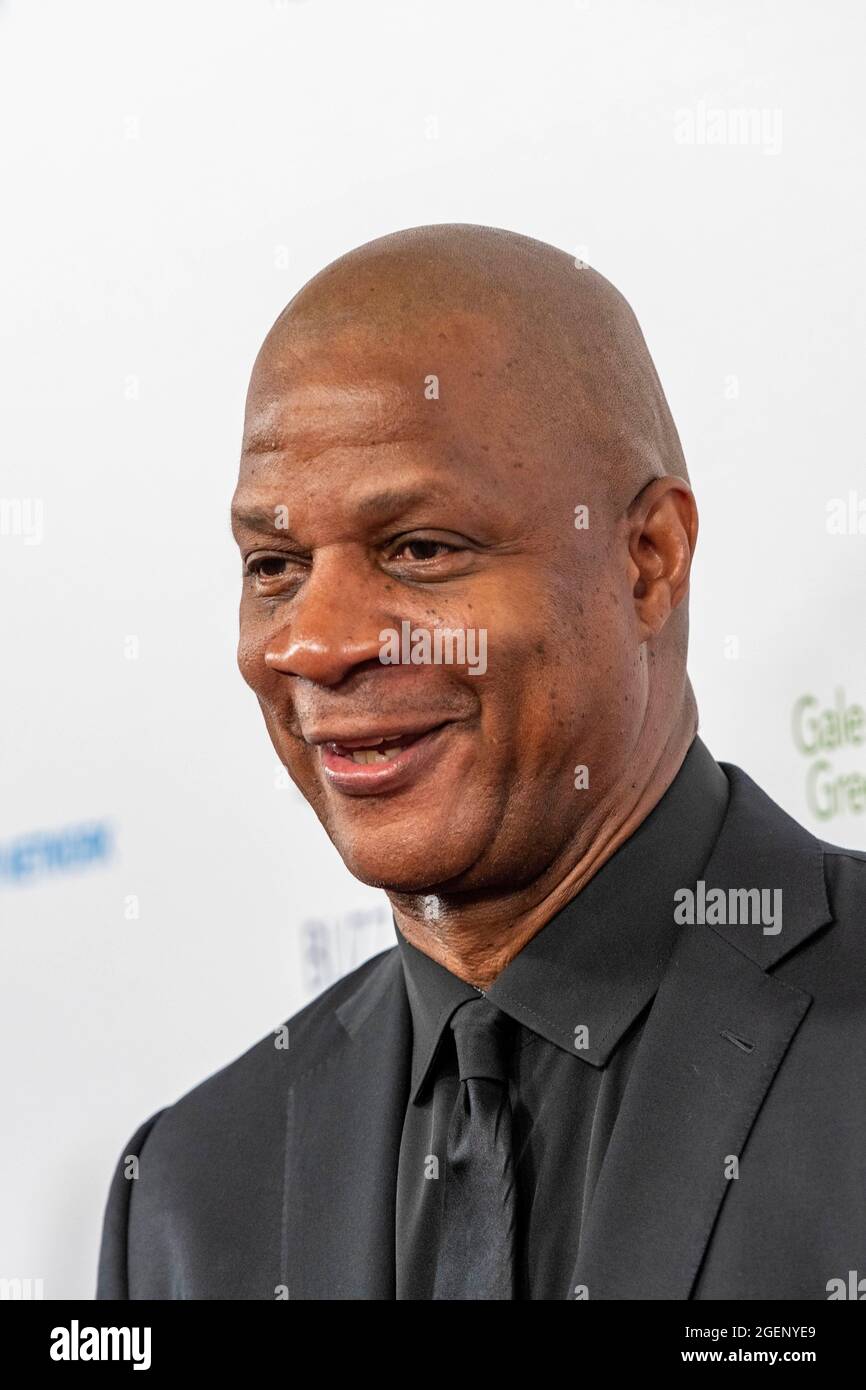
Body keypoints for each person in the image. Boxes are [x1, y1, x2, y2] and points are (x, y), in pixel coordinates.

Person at [97, 224, 866, 1300]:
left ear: (647, 561)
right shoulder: (187, 1190)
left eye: (418, 549)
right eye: (273, 565)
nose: (314, 643)